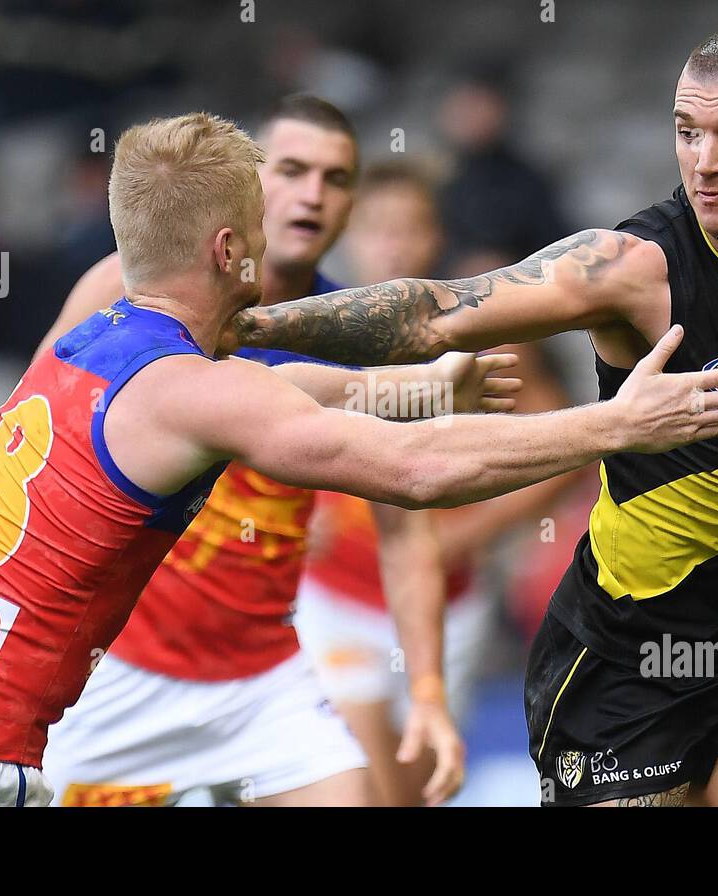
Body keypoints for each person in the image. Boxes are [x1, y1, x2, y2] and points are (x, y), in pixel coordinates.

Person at [0, 111, 718, 807]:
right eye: (254, 233)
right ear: (228, 249)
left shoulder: (88, 333)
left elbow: (288, 392)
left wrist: (424, 388)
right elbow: (415, 474)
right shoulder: (196, 389)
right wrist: (616, 425)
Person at [229, 24, 718, 807]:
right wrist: (248, 327)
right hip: (620, 661)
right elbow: (439, 313)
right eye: (687, 133)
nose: (704, 161)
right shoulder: (632, 268)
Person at [39, 97, 471, 807]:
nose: (313, 195)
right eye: (294, 170)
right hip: (114, 672)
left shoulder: (362, 344)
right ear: (246, 185)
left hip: (263, 679)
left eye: (336, 179)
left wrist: (427, 693)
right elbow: (28, 435)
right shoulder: (127, 291)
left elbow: (405, 529)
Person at [295, 161, 584, 806]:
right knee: (357, 763)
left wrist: (465, 532)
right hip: (335, 600)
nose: (393, 246)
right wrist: (289, 507)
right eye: (378, 230)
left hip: (445, 605)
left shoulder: (474, 332)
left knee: (419, 790)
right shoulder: (316, 330)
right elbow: (252, 423)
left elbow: (569, 447)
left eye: (410, 229)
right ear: (351, 235)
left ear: (434, 238)